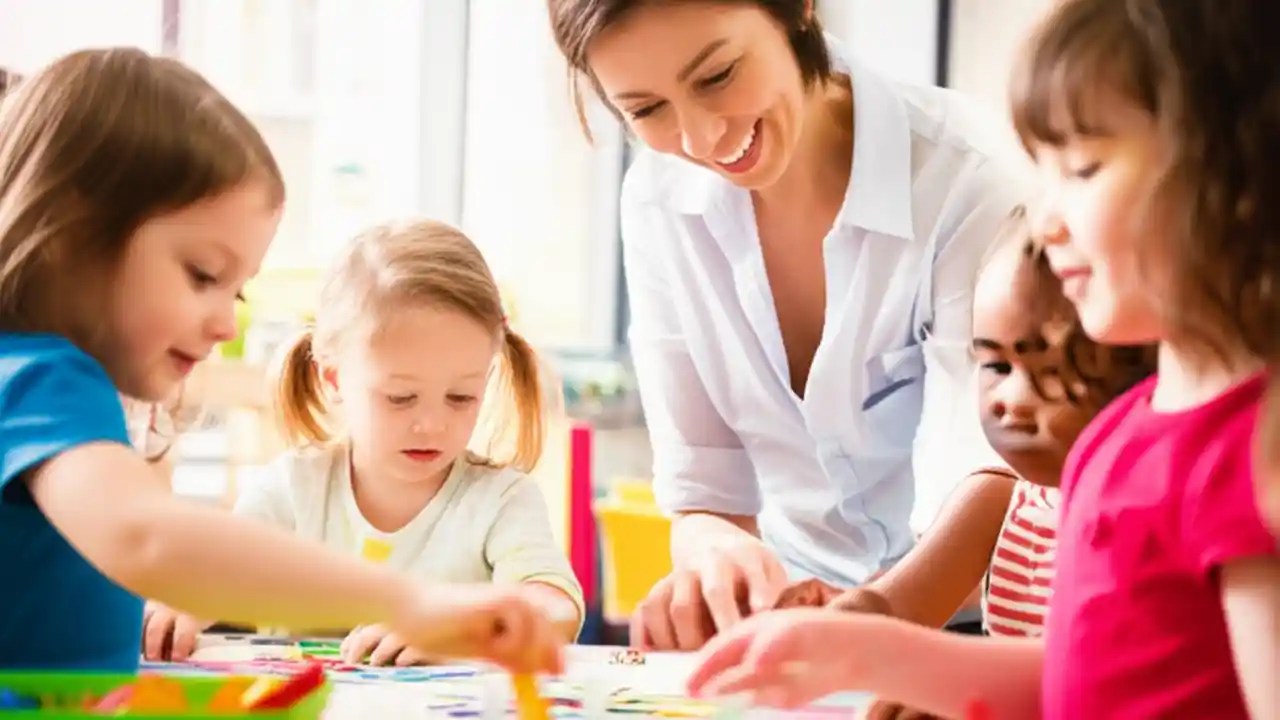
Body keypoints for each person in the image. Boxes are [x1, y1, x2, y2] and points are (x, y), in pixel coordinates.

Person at [685, 1, 1280, 718]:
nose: (1046, 218)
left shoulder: (1254, 462)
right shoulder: (1119, 436)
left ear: (1239, 178)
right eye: (1045, 173)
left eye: (1084, 169)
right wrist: (862, 653)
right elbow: (1084, 682)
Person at [0, 48, 565, 673]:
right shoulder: (41, 382)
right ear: (76, 239)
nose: (225, 322)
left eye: (235, 291)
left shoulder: (48, 383)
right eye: (202, 275)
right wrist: (412, 602)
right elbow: (148, 538)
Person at [546, 0, 1023, 650]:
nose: (700, 138)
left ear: (797, 9)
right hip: (793, 632)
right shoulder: (658, 203)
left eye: (716, 76)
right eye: (646, 110)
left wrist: (860, 629)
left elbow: (992, 474)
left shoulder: (964, 175)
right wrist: (716, 565)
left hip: (966, 629)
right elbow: (705, 488)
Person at [142, 220, 584, 665]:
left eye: (460, 397)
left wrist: (465, 629)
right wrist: (191, 599)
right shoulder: (293, 489)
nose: (430, 424)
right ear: (334, 378)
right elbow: (222, 571)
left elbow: (556, 606)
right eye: (400, 398)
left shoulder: (502, 500)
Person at [776, 209, 1156, 719]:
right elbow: (892, 608)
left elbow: (1098, 677)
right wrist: (831, 624)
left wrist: (957, 684)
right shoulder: (995, 503)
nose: (1013, 400)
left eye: (1053, 369)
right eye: (996, 365)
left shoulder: (1149, 520)